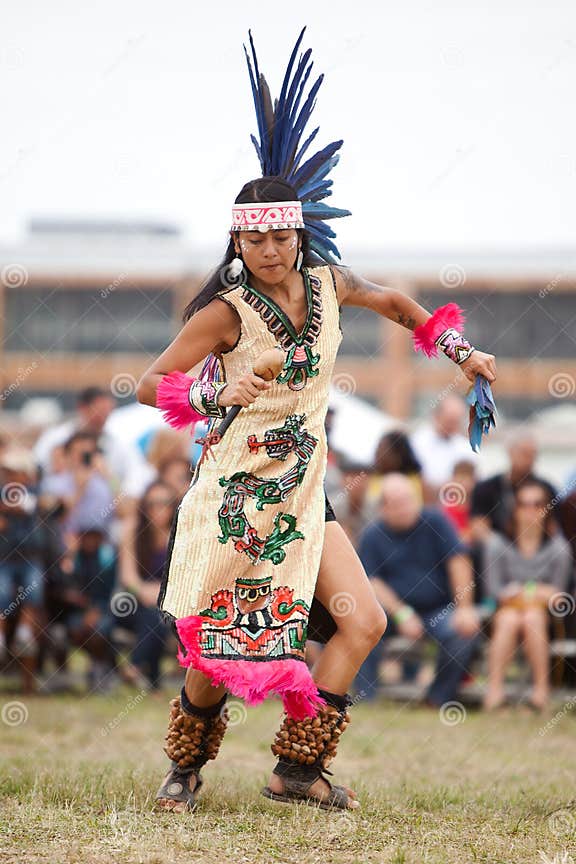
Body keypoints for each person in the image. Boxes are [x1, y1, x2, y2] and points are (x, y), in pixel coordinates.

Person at [135, 27, 497, 814]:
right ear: (238, 239)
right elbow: (147, 384)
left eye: (280, 235)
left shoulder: (330, 281)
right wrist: (217, 395)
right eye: (254, 237)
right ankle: (184, 769)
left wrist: (460, 350)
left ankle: (297, 771)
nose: (269, 249)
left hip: (306, 492)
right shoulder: (225, 312)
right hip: (235, 494)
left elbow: (396, 304)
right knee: (222, 647)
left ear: (298, 232)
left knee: (362, 622)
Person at [356, 474, 480, 705]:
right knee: (362, 627)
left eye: (408, 500)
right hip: (391, 614)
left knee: (462, 632)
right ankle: (365, 698)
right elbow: (371, 581)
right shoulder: (372, 535)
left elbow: (458, 561)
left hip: (437, 609)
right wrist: (402, 613)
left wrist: (464, 607)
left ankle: (437, 699)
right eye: (397, 503)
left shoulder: (436, 521)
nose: (405, 508)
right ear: (383, 508)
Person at [482, 479, 573, 712]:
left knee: (532, 617)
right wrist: (536, 592)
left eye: (537, 504)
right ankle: (495, 691)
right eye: (524, 504)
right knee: (509, 619)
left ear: (547, 509)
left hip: (545, 619)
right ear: (515, 509)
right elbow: (494, 591)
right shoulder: (497, 543)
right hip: (505, 614)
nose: (530, 511)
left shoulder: (559, 548)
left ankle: (541, 692)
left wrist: (520, 592)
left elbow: (558, 596)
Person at [119, 481, 176, 690]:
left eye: (164, 503)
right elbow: (128, 577)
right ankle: (148, 676)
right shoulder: (133, 532)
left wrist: (159, 594)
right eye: (152, 504)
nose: (158, 509)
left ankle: (137, 668)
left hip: (169, 602)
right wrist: (144, 592)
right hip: (134, 601)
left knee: (155, 616)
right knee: (152, 615)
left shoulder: (180, 535)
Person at [470, 429, 557, 540]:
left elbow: (553, 527)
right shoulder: (486, 488)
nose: (530, 459)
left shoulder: (547, 489)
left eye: (533, 454)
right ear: (510, 452)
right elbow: (478, 525)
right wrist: (499, 546)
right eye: (524, 454)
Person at [410, 395, 476, 504]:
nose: (452, 426)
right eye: (449, 421)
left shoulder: (467, 448)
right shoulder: (417, 442)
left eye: (456, 422)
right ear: (436, 416)